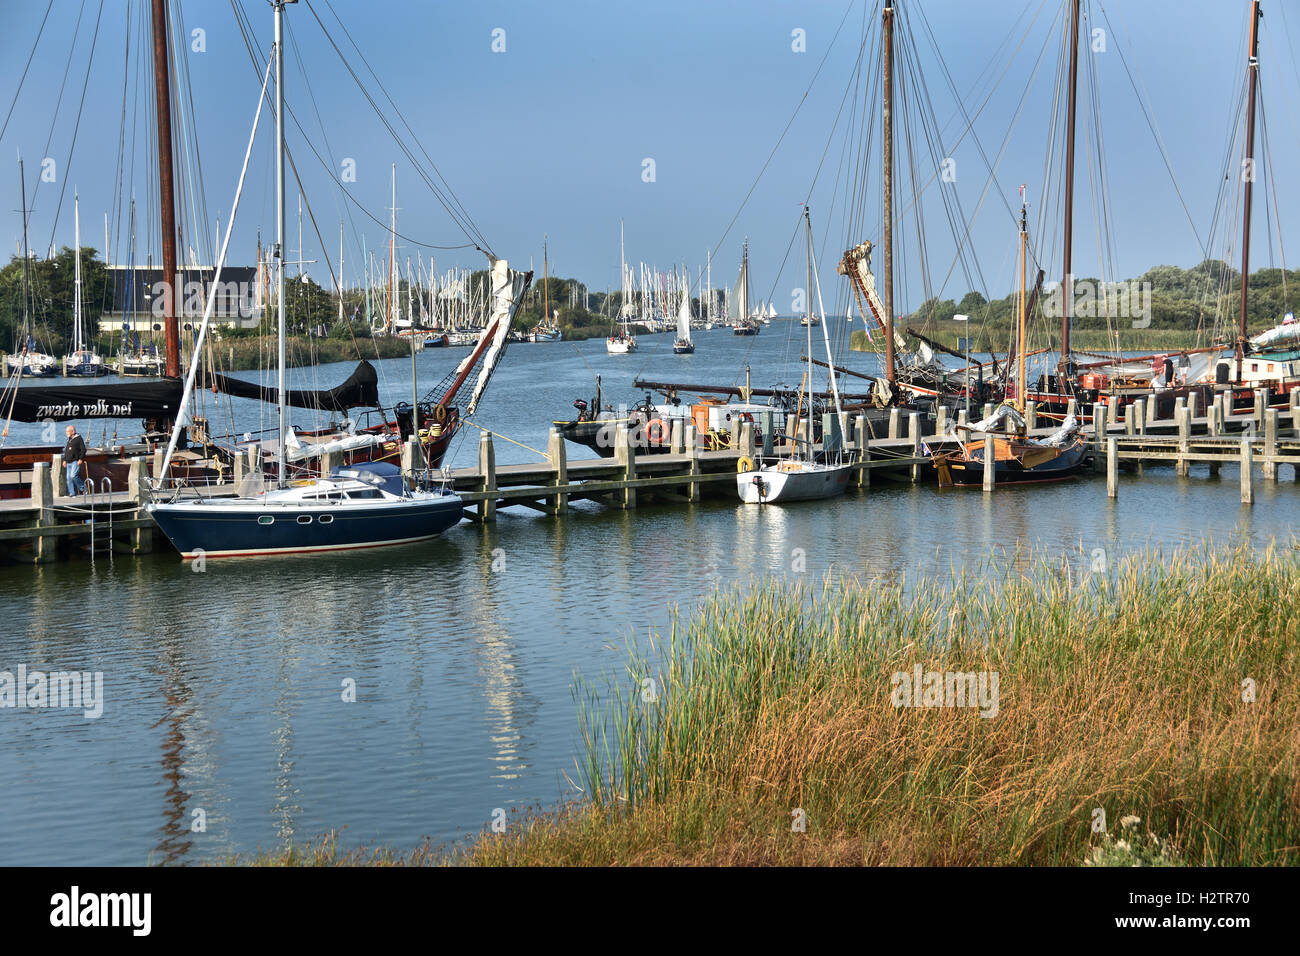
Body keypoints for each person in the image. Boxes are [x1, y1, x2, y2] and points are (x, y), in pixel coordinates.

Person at [63, 424, 87, 496]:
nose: (66, 433)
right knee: (68, 478)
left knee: (73, 476)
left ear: (72, 431)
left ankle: (83, 488)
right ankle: (72, 493)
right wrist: (64, 460)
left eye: (68, 431)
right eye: (66, 431)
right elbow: (66, 451)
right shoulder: (69, 439)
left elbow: (83, 449)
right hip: (68, 461)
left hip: (75, 461)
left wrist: (81, 459)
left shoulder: (78, 439)